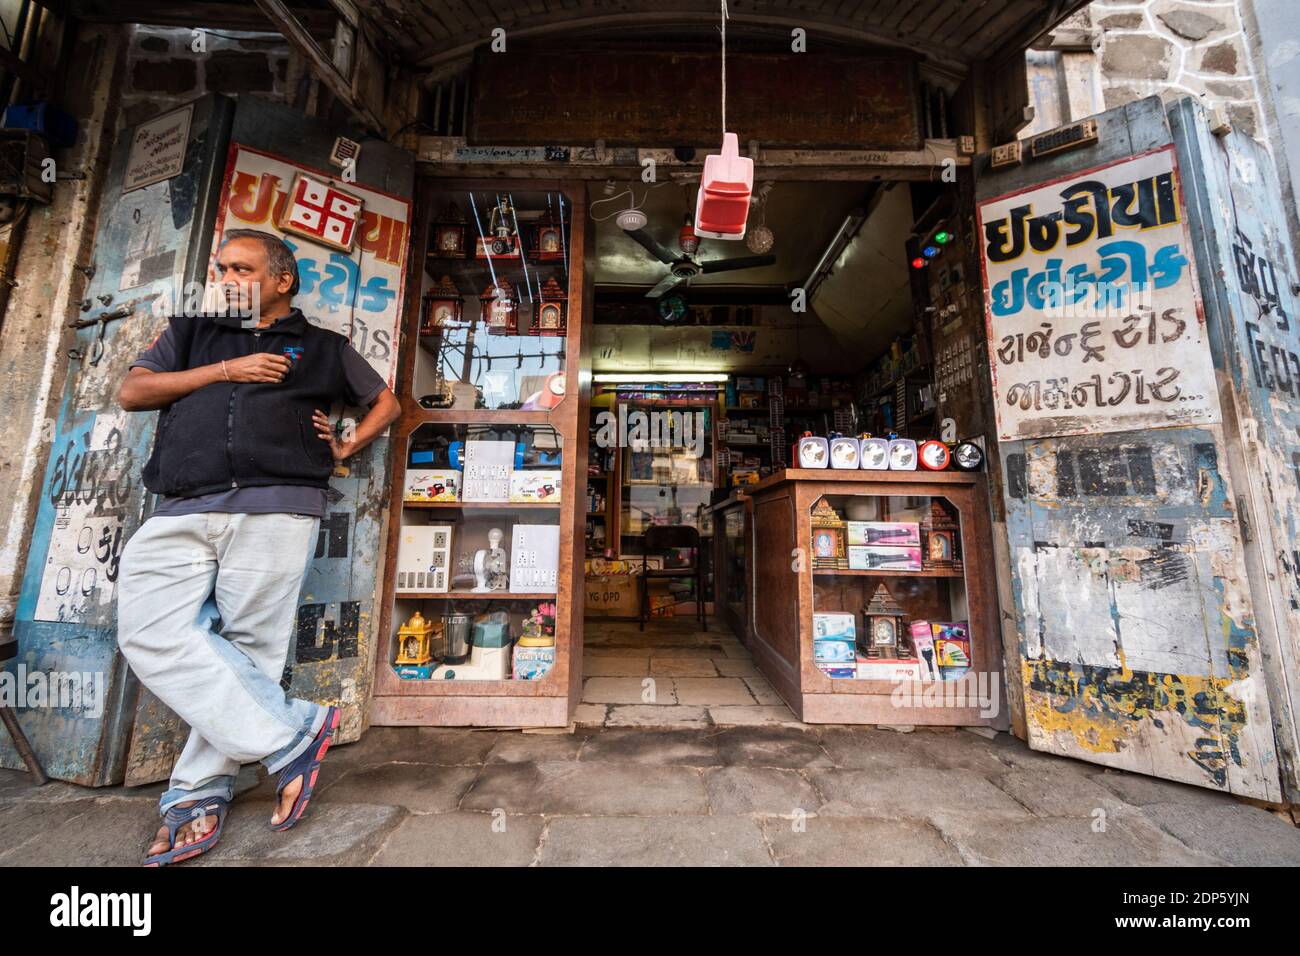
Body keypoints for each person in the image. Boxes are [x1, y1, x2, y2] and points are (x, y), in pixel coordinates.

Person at [115, 229, 402, 865]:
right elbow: (132, 392)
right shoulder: (193, 333)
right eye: (221, 268)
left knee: (250, 650)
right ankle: (292, 731)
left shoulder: (322, 347)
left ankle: (197, 789)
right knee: (146, 631)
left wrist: (349, 444)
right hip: (182, 506)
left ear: (282, 281)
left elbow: (387, 402)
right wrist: (226, 371)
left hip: (278, 505)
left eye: (241, 268)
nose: (226, 277)